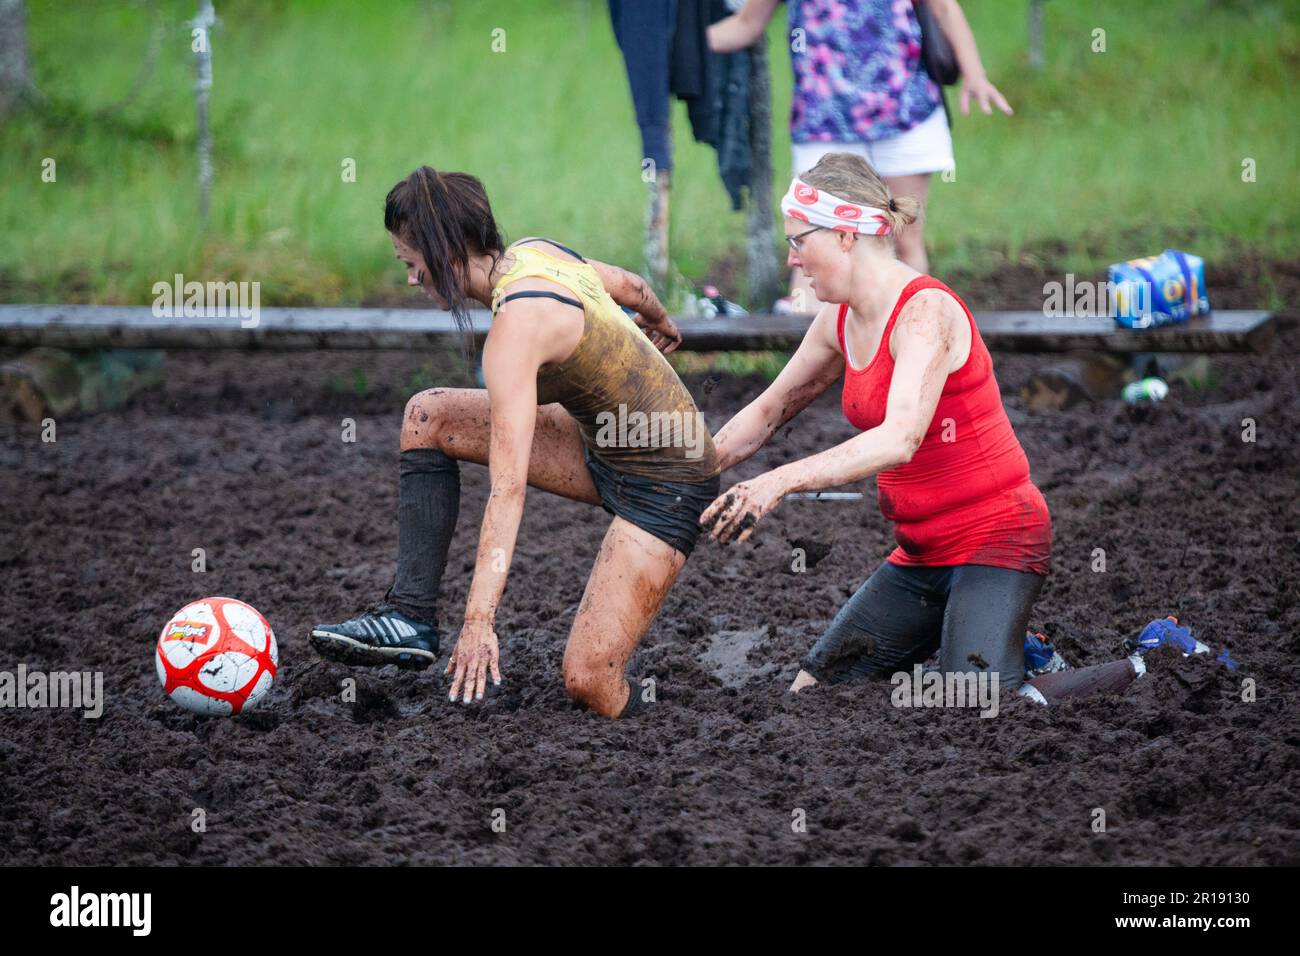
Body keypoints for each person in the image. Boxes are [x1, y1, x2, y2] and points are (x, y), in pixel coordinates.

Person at [309, 166, 720, 718]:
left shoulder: (513, 333)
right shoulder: (537, 252)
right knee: (428, 415)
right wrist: (661, 322)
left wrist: (479, 622)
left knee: (588, 681)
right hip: (601, 448)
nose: (411, 279)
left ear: (447, 252)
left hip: (667, 485)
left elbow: (507, 490)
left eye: (412, 264)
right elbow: (632, 286)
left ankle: (670, 741)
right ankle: (410, 615)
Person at [701, 153, 1050, 694]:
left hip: (995, 537)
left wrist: (777, 481)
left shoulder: (924, 312)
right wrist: (684, 471)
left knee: (972, 704)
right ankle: (1008, 649)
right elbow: (768, 411)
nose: (792, 259)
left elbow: (900, 437)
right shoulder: (837, 320)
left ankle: (1147, 662)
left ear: (844, 235)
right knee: (812, 694)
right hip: (921, 552)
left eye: (799, 241)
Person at [709, 0, 1012, 307]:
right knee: (811, 241)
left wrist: (974, 73)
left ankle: (909, 335)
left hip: (906, 112)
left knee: (903, 239)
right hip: (823, 121)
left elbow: (944, 8)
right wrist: (673, 53)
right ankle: (807, 344)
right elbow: (746, 25)